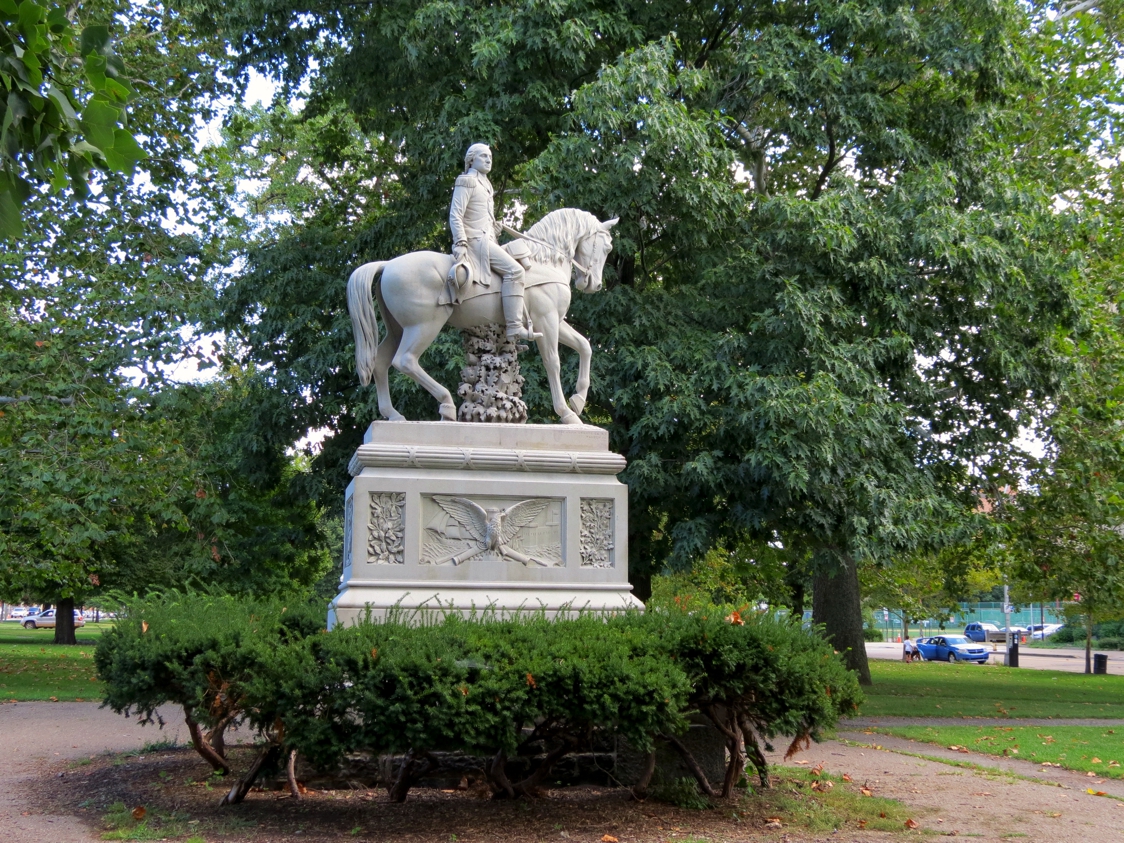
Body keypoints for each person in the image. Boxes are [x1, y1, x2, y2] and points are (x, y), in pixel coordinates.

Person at [448, 143, 540, 341]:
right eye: (484, 156)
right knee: (516, 271)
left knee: (521, 251)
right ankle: (515, 327)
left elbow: (480, 218)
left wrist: (494, 229)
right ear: (471, 159)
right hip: (475, 242)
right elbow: (456, 215)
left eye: (490, 157)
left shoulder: (486, 184)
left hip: (487, 239)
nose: (489, 160)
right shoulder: (467, 181)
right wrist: (461, 242)